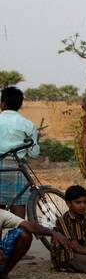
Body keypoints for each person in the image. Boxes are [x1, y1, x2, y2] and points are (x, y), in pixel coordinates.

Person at [0, 203, 69, 279]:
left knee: (24, 235)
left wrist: (53, 233)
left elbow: (29, 226)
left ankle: (3, 275)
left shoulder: (2, 214)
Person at [0, 86, 39, 214]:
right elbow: (34, 153)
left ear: (3, 103)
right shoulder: (28, 124)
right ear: (20, 105)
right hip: (17, 167)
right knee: (18, 216)